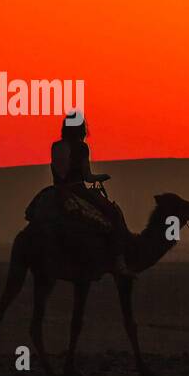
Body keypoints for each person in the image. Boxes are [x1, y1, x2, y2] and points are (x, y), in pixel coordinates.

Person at [50, 111, 129, 275]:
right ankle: (119, 262)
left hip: (56, 190)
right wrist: (102, 176)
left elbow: (59, 173)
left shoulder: (56, 146)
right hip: (76, 189)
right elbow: (87, 177)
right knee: (113, 213)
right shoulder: (81, 147)